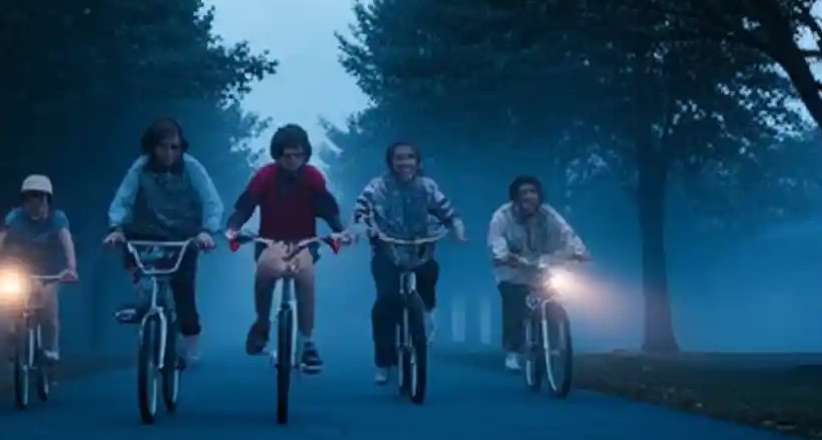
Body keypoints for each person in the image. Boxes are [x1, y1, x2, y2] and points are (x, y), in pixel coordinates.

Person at [224, 123, 352, 374]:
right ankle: (262, 324)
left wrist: (340, 231)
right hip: (270, 242)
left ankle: (307, 341)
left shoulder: (312, 177)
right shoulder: (265, 176)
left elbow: (327, 207)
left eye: (298, 155)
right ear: (277, 155)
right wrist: (233, 228)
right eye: (287, 155)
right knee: (264, 273)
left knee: (305, 278)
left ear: (305, 155)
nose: (293, 161)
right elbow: (246, 205)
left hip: (304, 242)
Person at [103, 118, 223, 364]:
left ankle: (189, 343)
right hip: (147, 236)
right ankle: (143, 313)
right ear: (152, 147)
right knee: (145, 287)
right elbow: (123, 200)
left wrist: (207, 231)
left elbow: (212, 201)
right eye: (163, 147)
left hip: (183, 238)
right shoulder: (140, 168)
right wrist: (116, 228)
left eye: (174, 147)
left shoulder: (192, 168)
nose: (169, 153)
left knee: (184, 293)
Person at [354, 141, 466, 385]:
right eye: (399, 158)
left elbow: (447, 211)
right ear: (390, 162)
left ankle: (426, 313)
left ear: (417, 161)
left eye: (409, 157)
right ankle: (383, 362)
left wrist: (457, 228)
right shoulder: (377, 186)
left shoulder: (428, 187)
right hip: (387, 249)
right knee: (385, 302)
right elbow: (361, 211)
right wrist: (362, 228)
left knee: (431, 271)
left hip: (419, 248)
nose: (404, 163)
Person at [487, 175, 590, 372]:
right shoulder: (502, 217)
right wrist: (505, 257)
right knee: (515, 303)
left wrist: (580, 253)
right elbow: (496, 244)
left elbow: (567, 234)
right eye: (524, 193)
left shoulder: (548, 215)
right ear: (515, 198)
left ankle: (554, 344)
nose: (529, 197)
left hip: (544, 268)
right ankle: (513, 350)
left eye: (533, 192)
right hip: (513, 273)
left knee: (554, 298)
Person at [0, 174, 78, 363]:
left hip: (50, 271)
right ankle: (12, 332)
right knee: (10, 295)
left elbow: (67, 242)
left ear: (47, 200)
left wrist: (71, 268)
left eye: (39, 198)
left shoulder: (57, 219)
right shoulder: (15, 217)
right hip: (22, 269)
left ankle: (53, 349)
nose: (34, 204)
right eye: (29, 198)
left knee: (49, 306)